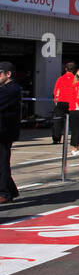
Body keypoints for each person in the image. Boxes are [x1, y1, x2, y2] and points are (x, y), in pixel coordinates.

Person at [52, 61, 79, 155]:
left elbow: (56, 90)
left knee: (58, 120)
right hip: (71, 102)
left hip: (61, 101)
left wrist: (56, 100)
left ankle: (56, 137)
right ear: (74, 70)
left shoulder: (60, 78)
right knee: (74, 124)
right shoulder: (75, 80)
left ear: (66, 69)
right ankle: (74, 140)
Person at [0, 62, 20, 203]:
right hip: (3, 130)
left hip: (4, 132)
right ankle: (10, 190)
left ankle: (4, 193)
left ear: (8, 74)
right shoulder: (5, 88)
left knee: (2, 163)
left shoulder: (11, 89)